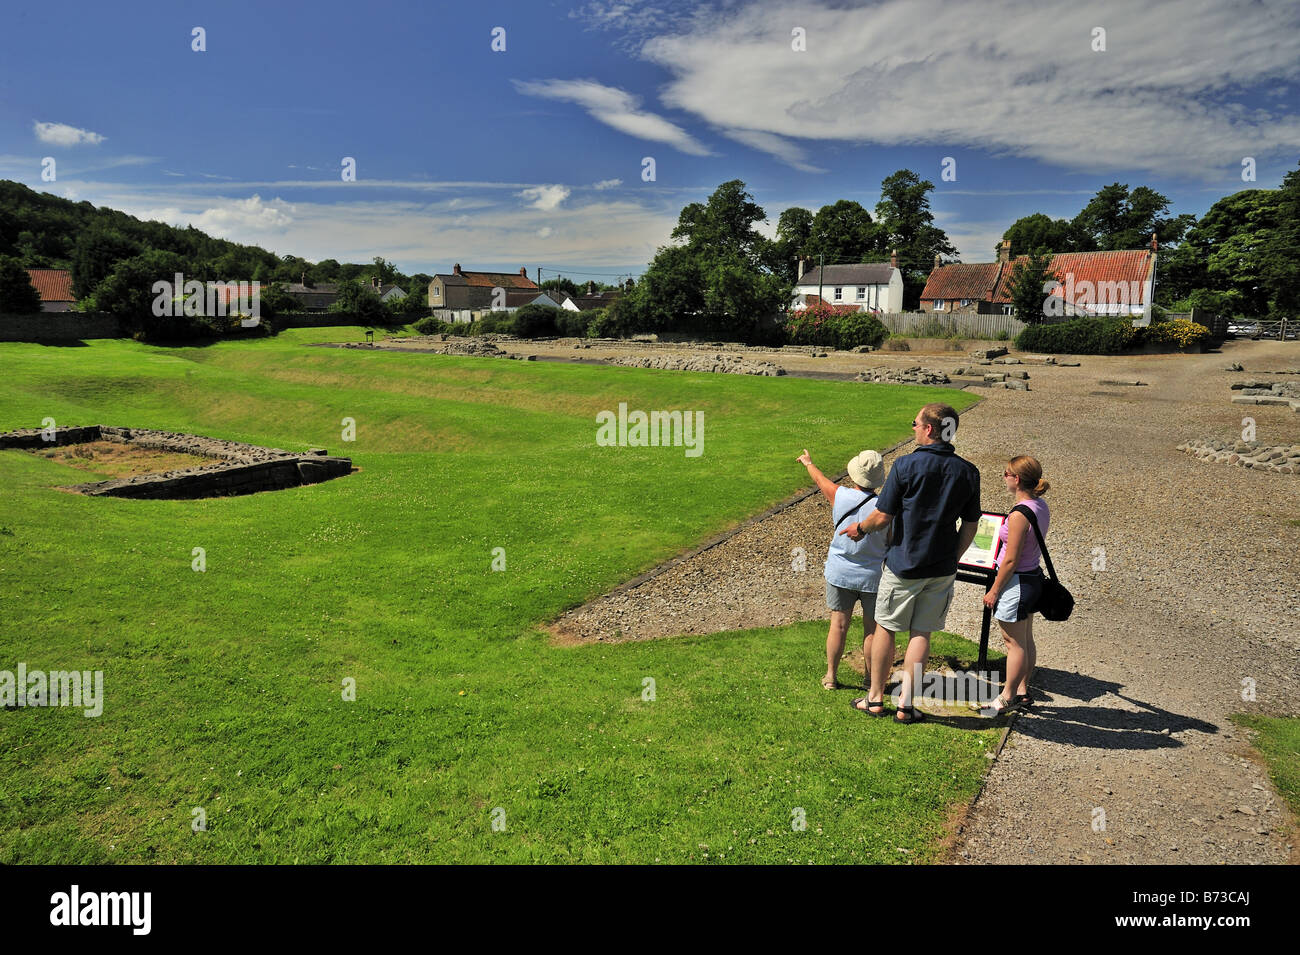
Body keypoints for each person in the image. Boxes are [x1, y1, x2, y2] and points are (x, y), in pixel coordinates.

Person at [841, 404, 981, 724]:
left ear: (930, 429)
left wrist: (860, 528)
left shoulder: (905, 465)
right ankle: (906, 705)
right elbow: (971, 525)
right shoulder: (968, 472)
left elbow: (883, 516)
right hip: (942, 567)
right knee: (922, 634)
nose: (913, 428)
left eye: (916, 423)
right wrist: (953, 558)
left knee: (886, 628)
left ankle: (875, 698)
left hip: (903, 564)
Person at [797, 449, 888, 690]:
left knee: (838, 625)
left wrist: (808, 463)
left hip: (840, 572)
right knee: (872, 630)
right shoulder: (885, 509)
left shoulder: (840, 495)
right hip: (873, 576)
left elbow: (819, 480)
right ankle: (870, 679)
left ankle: (830, 677)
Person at [978, 456, 1050, 717]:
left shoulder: (1020, 514)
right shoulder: (1040, 506)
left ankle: (1007, 697)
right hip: (1032, 578)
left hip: (1016, 582)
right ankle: (1022, 690)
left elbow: (1011, 559)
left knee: (1013, 643)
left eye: (1006, 473)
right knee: (1025, 638)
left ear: (1017, 479)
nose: (1004, 477)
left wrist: (995, 589)